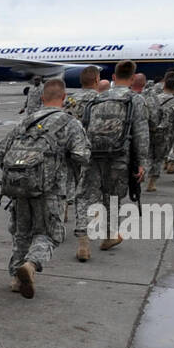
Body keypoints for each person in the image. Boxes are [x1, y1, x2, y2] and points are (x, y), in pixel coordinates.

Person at [0, 79, 90, 298]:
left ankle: (15, 279)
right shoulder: (70, 123)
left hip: (19, 188)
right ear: (64, 98)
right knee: (50, 234)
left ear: (42, 98)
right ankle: (31, 264)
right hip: (50, 190)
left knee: (21, 234)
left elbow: (2, 153)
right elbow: (82, 156)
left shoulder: (26, 121)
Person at [81, 59, 148, 253]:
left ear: (113, 77)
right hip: (120, 155)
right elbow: (141, 133)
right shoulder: (135, 99)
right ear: (133, 78)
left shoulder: (98, 97)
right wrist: (142, 162)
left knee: (89, 195)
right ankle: (109, 235)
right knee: (113, 198)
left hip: (95, 153)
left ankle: (83, 237)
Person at [63, 65, 103, 261]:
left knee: (68, 185)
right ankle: (84, 238)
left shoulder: (70, 100)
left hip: (71, 151)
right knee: (88, 194)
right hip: (94, 153)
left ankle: (62, 211)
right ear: (96, 80)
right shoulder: (101, 100)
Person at [150, 76, 174, 191]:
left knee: (146, 156)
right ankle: (152, 182)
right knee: (158, 159)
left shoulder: (153, 99)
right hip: (165, 134)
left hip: (149, 132)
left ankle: (141, 176)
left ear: (164, 86)